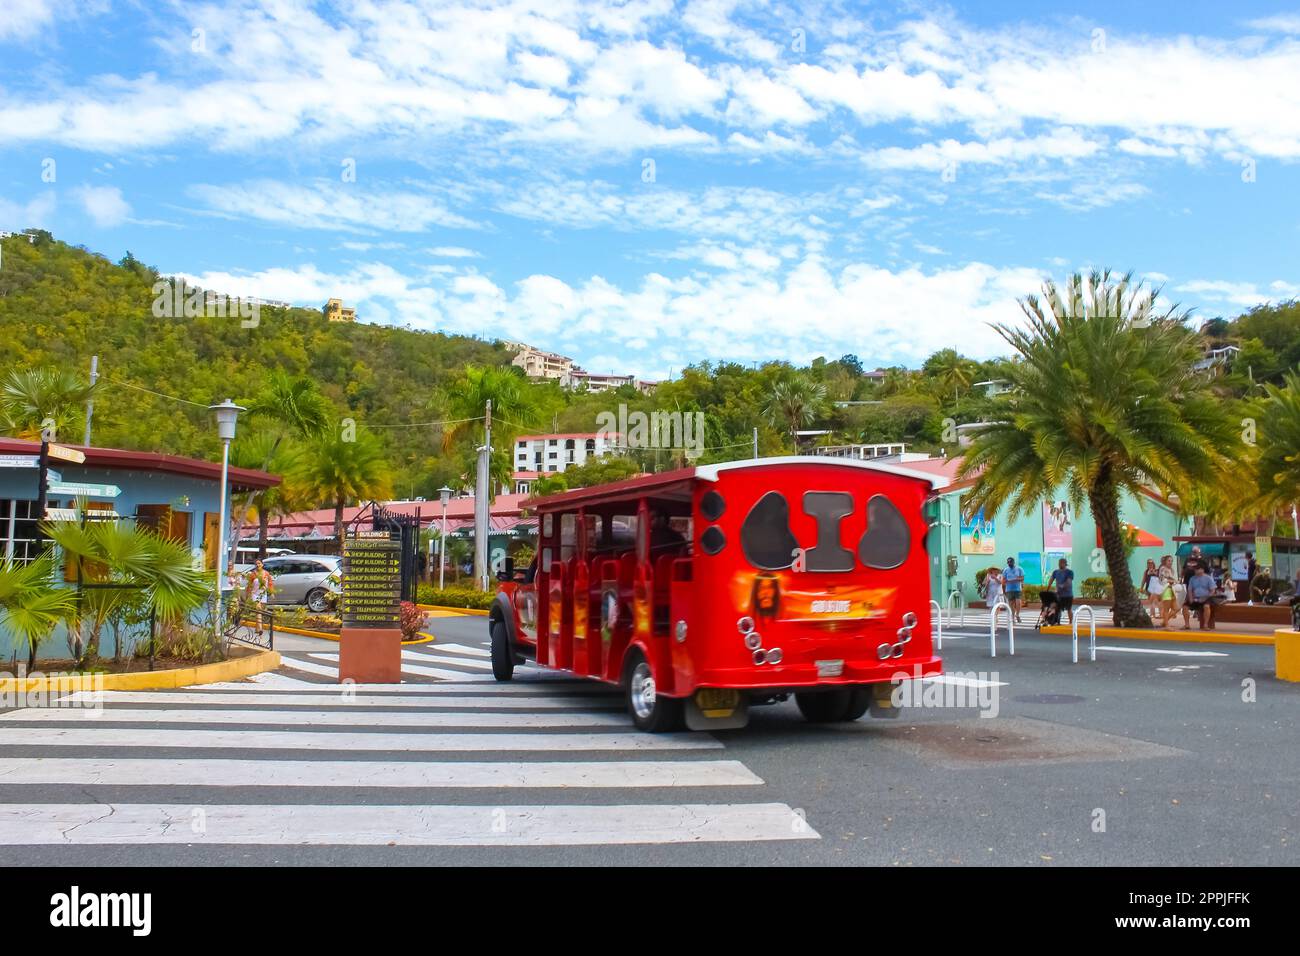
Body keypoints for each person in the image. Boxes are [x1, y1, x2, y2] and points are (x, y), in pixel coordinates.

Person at [245, 559, 274, 636]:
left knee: (260, 612)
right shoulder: (253, 574)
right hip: (255, 594)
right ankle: (260, 629)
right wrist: (247, 594)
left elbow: (270, 583)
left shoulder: (267, 574)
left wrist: (271, 592)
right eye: (256, 564)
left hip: (263, 595)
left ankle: (257, 628)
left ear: (262, 564)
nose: (258, 565)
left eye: (259, 563)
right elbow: (249, 585)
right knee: (258, 610)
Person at [1185, 564, 1216, 629]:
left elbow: (1212, 590)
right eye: (1195, 569)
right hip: (1195, 598)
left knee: (1206, 607)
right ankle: (1187, 625)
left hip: (1206, 598)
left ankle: (1205, 625)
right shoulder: (1192, 579)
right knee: (1185, 607)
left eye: (1198, 569)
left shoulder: (1208, 578)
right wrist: (1190, 598)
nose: (1196, 571)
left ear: (1202, 570)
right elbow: (1190, 590)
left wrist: (1206, 598)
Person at [1181, 547, 1204, 627]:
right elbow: (1183, 570)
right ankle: (1187, 624)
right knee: (1185, 603)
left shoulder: (1201, 561)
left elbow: (1205, 572)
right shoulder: (1187, 560)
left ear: (1199, 553)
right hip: (1187, 584)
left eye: (1196, 552)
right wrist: (1181, 578)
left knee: (1199, 602)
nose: (1194, 553)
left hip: (1197, 585)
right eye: (1193, 551)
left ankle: (1200, 618)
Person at [1048, 557, 1075, 625]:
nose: (1059, 564)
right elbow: (1051, 579)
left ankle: (1071, 622)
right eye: (1059, 563)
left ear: (1065, 564)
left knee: (1069, 609)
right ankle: (1057, 621)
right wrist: (1048, 588)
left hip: (1068, 594)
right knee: (1057, 608)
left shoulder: (1069, 572)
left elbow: (1069, 582)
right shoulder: (1056, 572)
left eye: (1061, 563)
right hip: (1059, 594)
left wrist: (1062, 586)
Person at [1156, 555, 1179, 628]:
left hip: (1172, 589)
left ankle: (1164, 622)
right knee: (1166, 609)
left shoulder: (1171, 570)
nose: (1170, 562)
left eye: (1171, 561)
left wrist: (1174, 581)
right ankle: (1166, 625)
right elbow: (1162, 580)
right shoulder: (1163, 568)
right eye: (1169, 561)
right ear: (1165, 561)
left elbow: (1173, 580)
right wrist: (1172, 581)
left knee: (1176, 608)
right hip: (1166, 589)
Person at [1003, 556, 1025, 623]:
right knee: (1011, 604)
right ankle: (1012, 617)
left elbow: (1022, 578)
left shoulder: (1019, 569)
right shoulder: (1006, 570)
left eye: (1010, 562)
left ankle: (1017, 615)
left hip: (1017, 588)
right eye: (1008, 562)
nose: (1009, 563)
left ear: (1013, 562)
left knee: (1018, 602)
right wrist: (1005, 583)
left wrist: (1015, 579)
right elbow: (1004, 580)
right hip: (1009, 589)